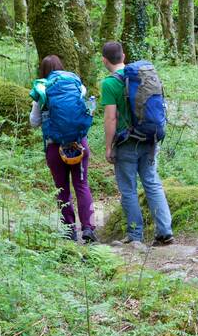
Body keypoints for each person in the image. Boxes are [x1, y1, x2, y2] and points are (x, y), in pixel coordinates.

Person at [100, 40, 173, 247]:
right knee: (152, 183)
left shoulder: (109, 84)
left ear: (104, 60)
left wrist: (108, 146)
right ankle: (165, 231)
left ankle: (135, 235)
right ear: (123, 57)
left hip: (126, 144)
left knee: (129, 189)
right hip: (150, 139)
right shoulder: (141, 77)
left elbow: (110, 118)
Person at [29, 55, 97, 243]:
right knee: (82, 186)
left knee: (62, 189)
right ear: (61, 68)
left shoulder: (41, 90)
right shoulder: (77, 85)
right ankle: (89, 228)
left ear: (43, 71)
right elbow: (86, 110)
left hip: (55, 148)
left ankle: (69, 231)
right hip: (78, 145)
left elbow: (34, 122)